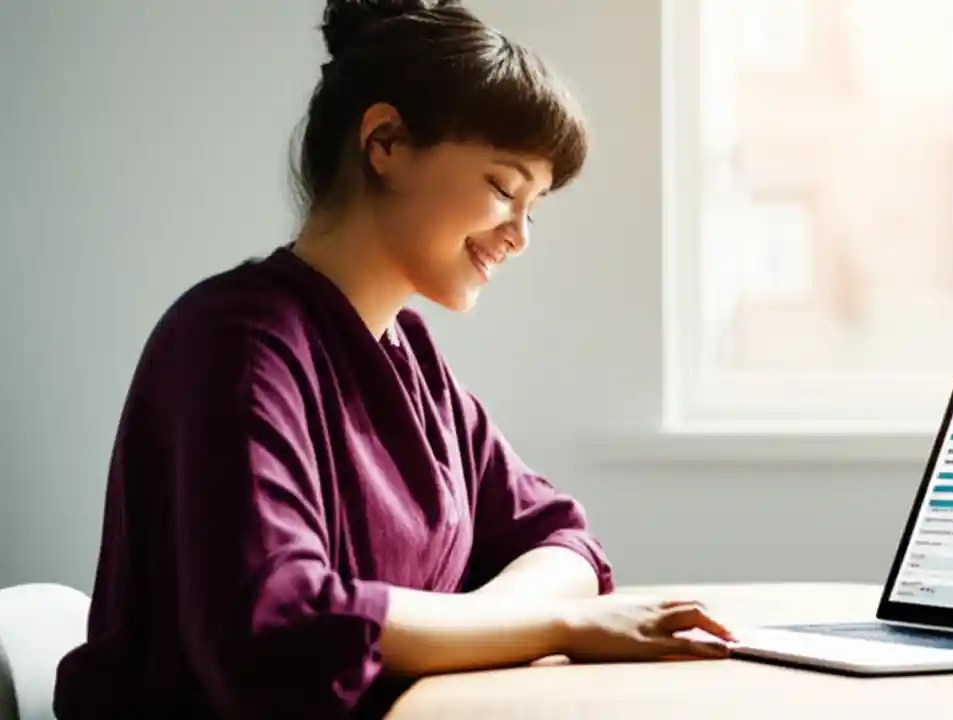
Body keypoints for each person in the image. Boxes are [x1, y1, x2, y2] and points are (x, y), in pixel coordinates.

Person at [53, 1, 734, 717]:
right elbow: (282, 626)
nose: (519, 236)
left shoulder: (412, 359)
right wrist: (547, 624)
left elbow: (562, 539)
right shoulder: (238, 345)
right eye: (503, 189)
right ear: (385, 143)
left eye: (534, 206)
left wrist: (501, 622)